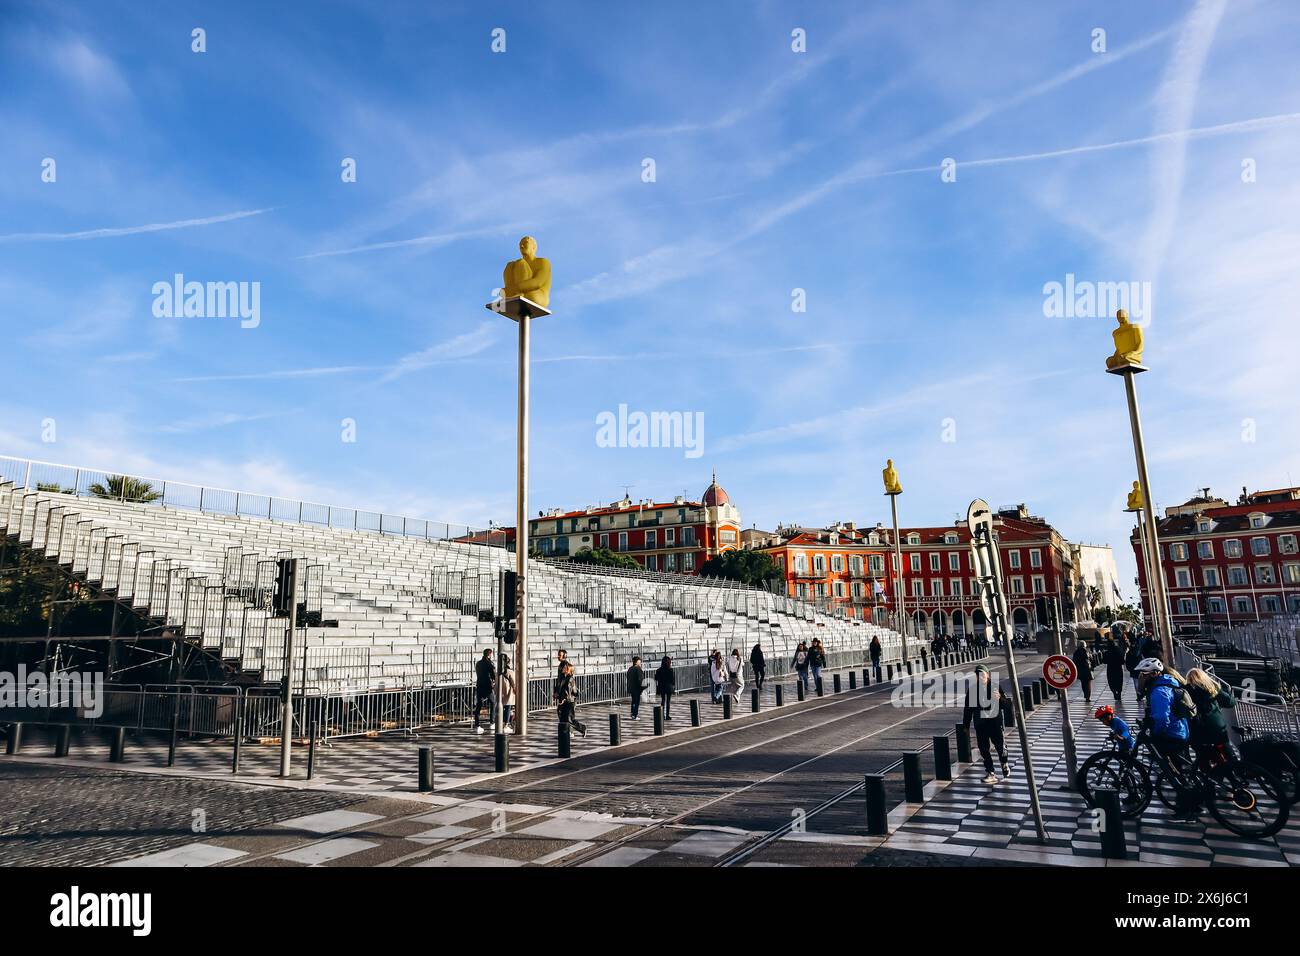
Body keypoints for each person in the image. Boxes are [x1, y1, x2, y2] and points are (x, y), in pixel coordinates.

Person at [963, 664, 1010, 784]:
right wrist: (966, 725)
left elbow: (1006, 706)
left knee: (1000, 747)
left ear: (987, 675)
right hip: (981, 724)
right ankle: (990, 772)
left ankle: (1004, 763)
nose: (981, 677)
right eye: (978, 675)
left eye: (983, 674)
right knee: (983, 749)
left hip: (995, 723)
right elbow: (968, 709)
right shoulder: (973, 690)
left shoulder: (995, 687)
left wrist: (1000, 699)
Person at [1185, 667, 1235, 770]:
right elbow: (1230, 702)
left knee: (1202, 755)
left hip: (1199, 729)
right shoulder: (1211, 687)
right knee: (1226, 751)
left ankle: (1209, 779)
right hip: (1217, 726)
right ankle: (1238, 772)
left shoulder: (1187, 691)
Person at [556, 660, 587, 737]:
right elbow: (560, 688)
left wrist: (563, 699)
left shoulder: (570, 679)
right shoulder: (562, 678)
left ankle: (582, 728)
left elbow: (568, 691)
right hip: (563, 700)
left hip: (570, 701)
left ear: (568, 669)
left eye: (564, 667)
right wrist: (557, 694)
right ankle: (566, 732)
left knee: (569, 718)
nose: (562, 669)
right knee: (562, 716)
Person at [472, 648, 495, 735]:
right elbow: (493, 675)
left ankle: (477, 724)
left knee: (479, 705)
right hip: (487, 686)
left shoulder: (478, 663)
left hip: (479, 685)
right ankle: (492, 722)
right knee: (493, 702)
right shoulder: (489, 664)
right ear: (489, 655)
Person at [1102, 637, 1126, 702]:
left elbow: (1104, 661)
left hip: (1110, 669)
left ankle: (1114, 692)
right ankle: (1119, 694)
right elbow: (1123, 661)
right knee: (1119, 681)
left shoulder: (1107, 652)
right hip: (1118, 668)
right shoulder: (1118, 650)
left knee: (1111, 681)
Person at [497, 653, 516, 733]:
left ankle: (500, 723)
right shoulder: (510, 672)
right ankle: (506, 725)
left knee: (502, 708)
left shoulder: (498, 672)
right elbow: (514, 683)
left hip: (500, 691)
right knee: (508, 708)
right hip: (508, 692)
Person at [654, 655, 676, 720]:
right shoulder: (670, 670)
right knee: (668, 701)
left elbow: (656, 678)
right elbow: (672, 679)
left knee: (663, 700)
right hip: (668, 687)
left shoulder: (658, 670)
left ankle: (662, 714)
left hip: (661, 687)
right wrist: (673, 686)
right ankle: (667, 715)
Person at [1072, 639, 1093, 703]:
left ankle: (1085, 695)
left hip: (1080, 670)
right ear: (1085, 645)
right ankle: (1088, 697)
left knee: (1083, 683)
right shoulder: (1087, 651)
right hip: (1087, 670)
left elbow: (1074, 661)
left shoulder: (1076, 652)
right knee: (1088, 684)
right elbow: (1091, 659)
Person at [626, 655, 646, 720]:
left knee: (633, 701)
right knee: (636, 702)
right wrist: (643, 686)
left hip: (631, 687)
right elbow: (640, 679)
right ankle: (635, 715)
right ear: (637, 662)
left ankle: (632, 713)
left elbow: (628, 677)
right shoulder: (638, 669)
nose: (640, 663)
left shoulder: (630, 669)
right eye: (639, 662)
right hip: (637, 688)